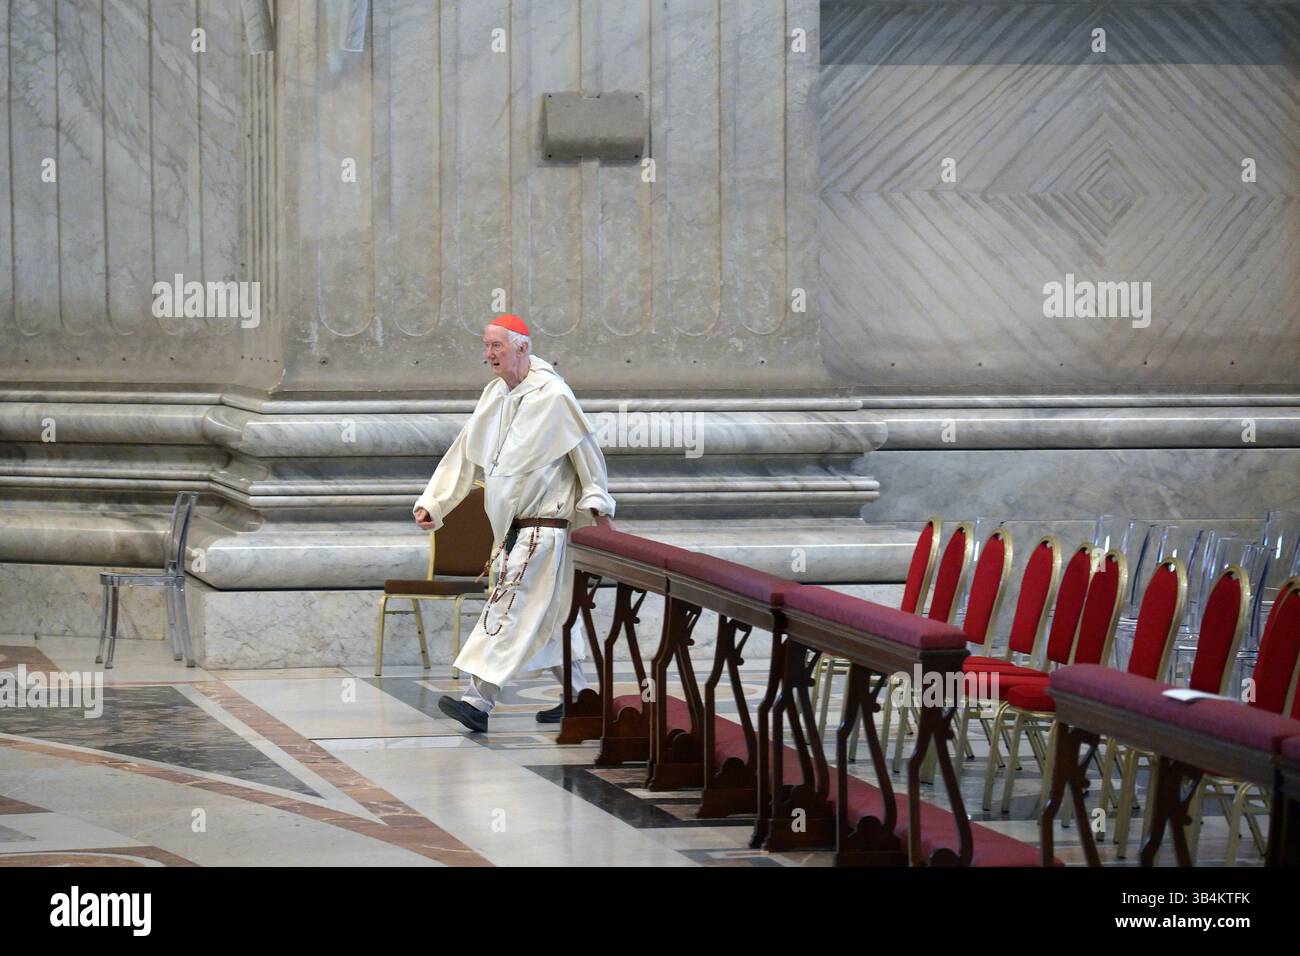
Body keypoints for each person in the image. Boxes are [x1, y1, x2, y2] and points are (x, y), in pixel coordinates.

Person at [413, 314, 615, 732]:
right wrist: (435, 502)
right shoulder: (495, 396)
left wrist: (598, 507)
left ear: (522, 347)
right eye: (486, 346)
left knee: (507, 608)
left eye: (496, 346)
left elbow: (588, 459)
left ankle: (478, 701)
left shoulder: (554, 396)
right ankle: (580, 702)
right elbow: (464, 454)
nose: (488, 354)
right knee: (549, 616)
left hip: (544, 531)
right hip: (511, 532)